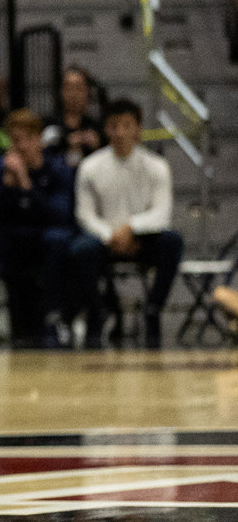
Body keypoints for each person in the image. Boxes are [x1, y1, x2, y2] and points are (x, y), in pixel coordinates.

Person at [68, 99, 181, 347]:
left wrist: (131, 229)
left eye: (127, 125)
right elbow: (84, 214)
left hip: (142, 239)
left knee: (173, 242)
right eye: (114, 125)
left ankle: (153, 308)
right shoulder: (89, 167)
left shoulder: (157, 166)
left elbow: (162, 214)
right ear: (106, 129)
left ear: (138, 129)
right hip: (104, 240)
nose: (120, 132)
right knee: (79, 250)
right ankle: (98, 310)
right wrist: (111, 235)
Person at [0, 108, 75, 343]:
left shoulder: (57, 168)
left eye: (27, 139)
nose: (21, 146)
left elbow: (59, 215)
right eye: (15, 140)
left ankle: (56, 314)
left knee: (60, 238)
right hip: (9, 234)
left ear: (39, 140)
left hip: (42, 235)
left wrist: (27, 185)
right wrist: (7, 188)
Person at [41, 65, 104, 168]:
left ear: (87, 92)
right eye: (69, 88)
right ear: (61, 91)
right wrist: (66, 142)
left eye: (79, 88)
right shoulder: (48, 123)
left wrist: (96, 146)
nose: (73, 94)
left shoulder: (97, 127)